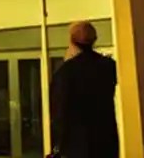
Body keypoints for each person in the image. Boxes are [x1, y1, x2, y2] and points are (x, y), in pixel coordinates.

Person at [49, 21, 118, 158]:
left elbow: (60, 113)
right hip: (106, 142)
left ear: (72, 41)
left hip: (76, 147)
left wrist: (57, 146)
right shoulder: (109, 67)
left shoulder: (66, 72)